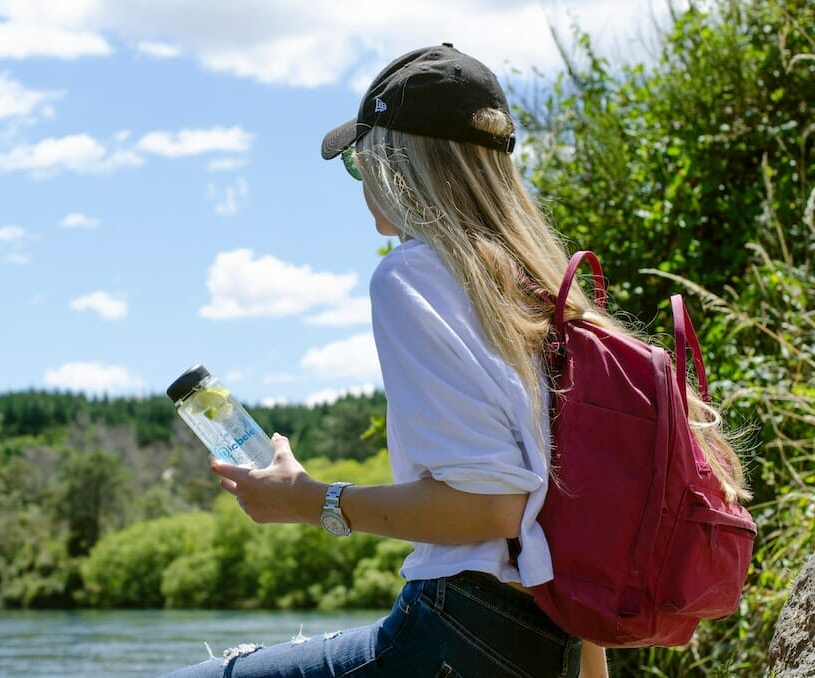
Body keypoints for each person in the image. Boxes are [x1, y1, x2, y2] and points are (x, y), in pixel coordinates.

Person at [165, 42, 748, 678]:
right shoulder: (539, 291)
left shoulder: (412, 276)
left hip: (454, 634)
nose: (364, 186)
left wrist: (308, 500)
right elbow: (557, 527)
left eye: (361, 162)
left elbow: (490, 504)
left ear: (397, 162)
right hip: (544, 640)